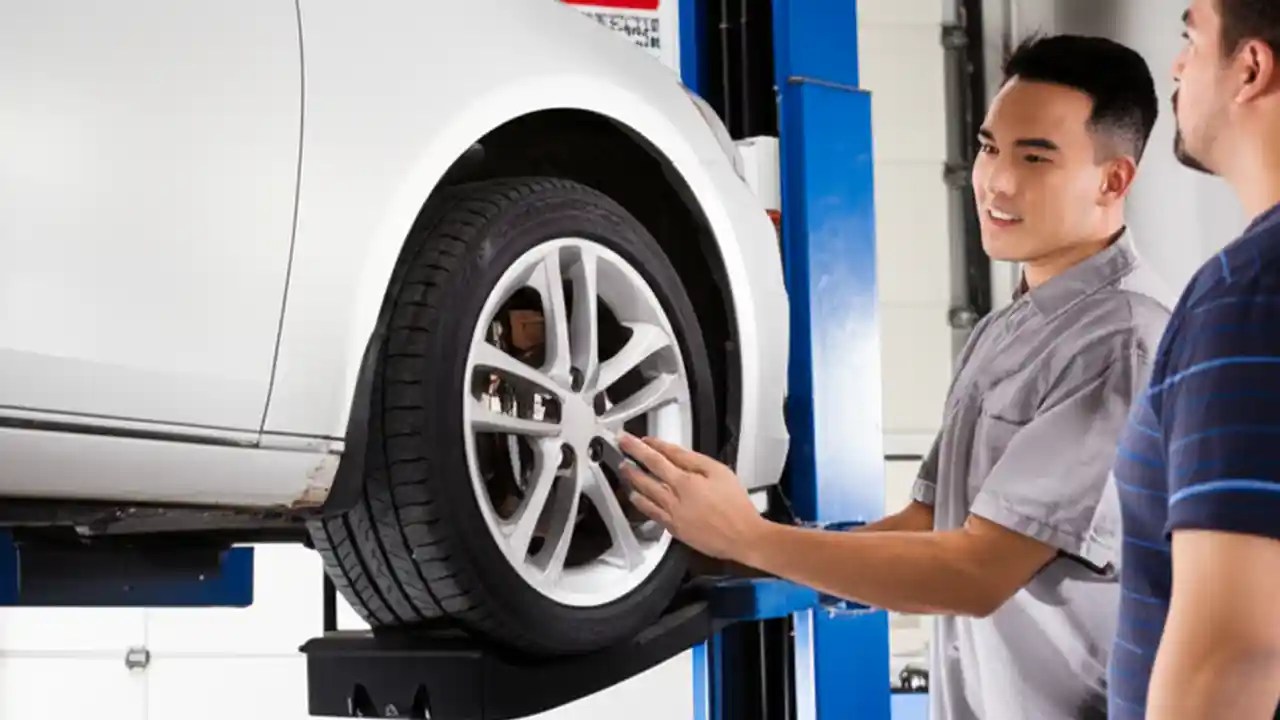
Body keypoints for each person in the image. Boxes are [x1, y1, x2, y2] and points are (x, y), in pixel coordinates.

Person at [620, 34, 1171, 720]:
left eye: (1035, 157)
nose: (995, 180)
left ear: (1113, 179)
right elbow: (925, 526)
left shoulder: (1120, 345)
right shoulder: (1009, 329)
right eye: (989, 146)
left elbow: (975, 574)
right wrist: (731, 556)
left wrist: (749, 537)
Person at [1107, 2, 1280, 718]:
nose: (1176, 65)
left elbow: (1233, 656)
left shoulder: (1251, 298)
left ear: (1250, 67)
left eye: (1191, 37)